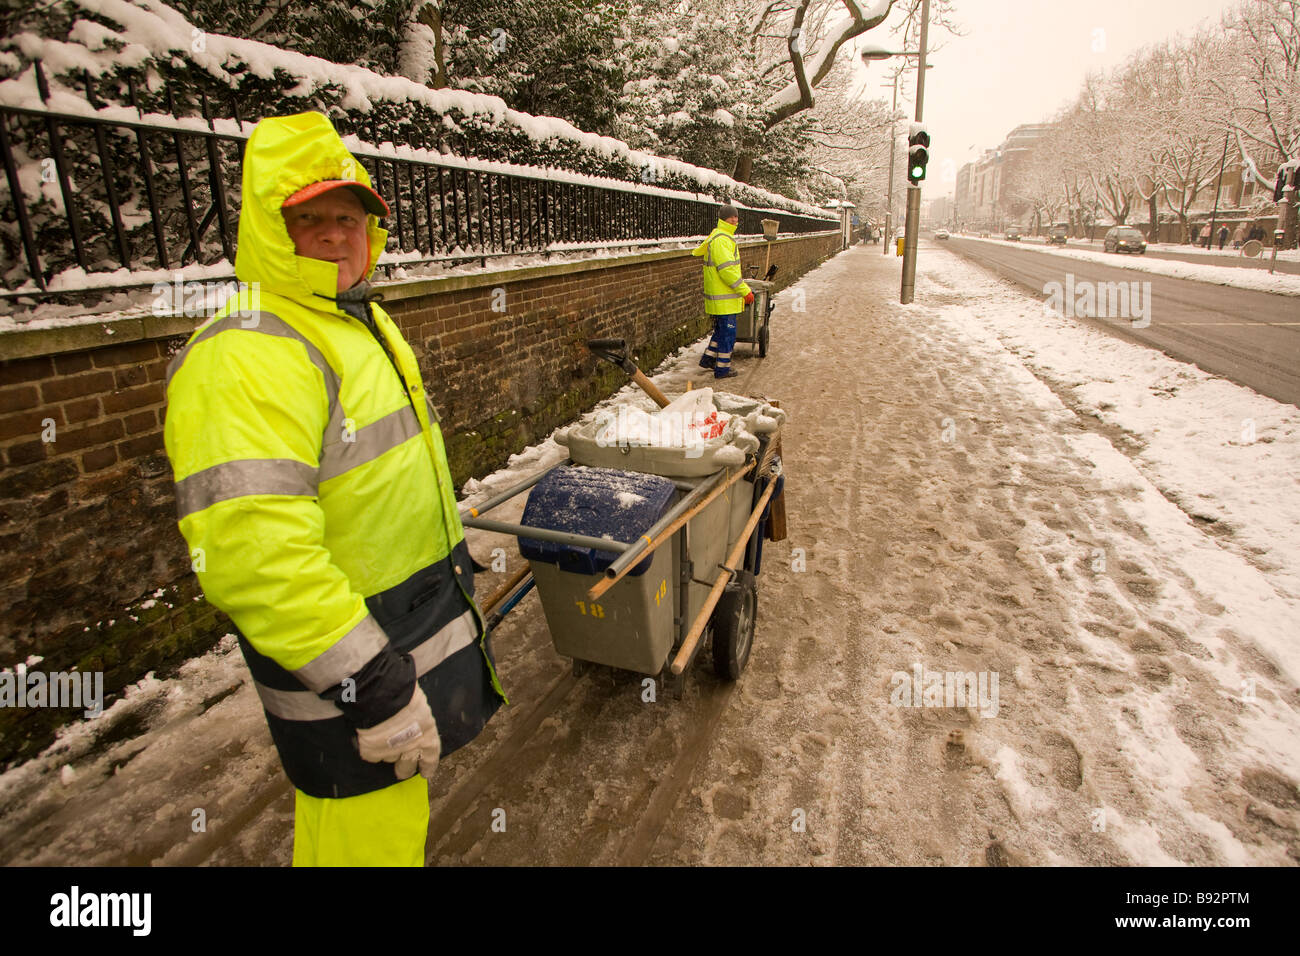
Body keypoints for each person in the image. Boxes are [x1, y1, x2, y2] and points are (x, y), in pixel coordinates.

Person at [163, 112, 506, 866]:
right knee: (370, 845)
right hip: (354, 674)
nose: (333, 234)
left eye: (347, 217)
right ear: (266, 230)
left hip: (391, 641)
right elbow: (253, 556)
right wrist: (374, 688)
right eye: (307, 217)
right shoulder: (247, 353)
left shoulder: (359, 322)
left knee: (352, 833)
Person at [694, 204, 752, 380]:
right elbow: (727, 271)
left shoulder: (722, 237)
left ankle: (708, 359)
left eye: (736, 217)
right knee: (728, 334)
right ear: (722, 219)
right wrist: (744, 290)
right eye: (730, 217)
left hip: (722, 298)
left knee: (721, 331)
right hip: (724, 299)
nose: (734, 220)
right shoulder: (721, 240)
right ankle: (722, 369)